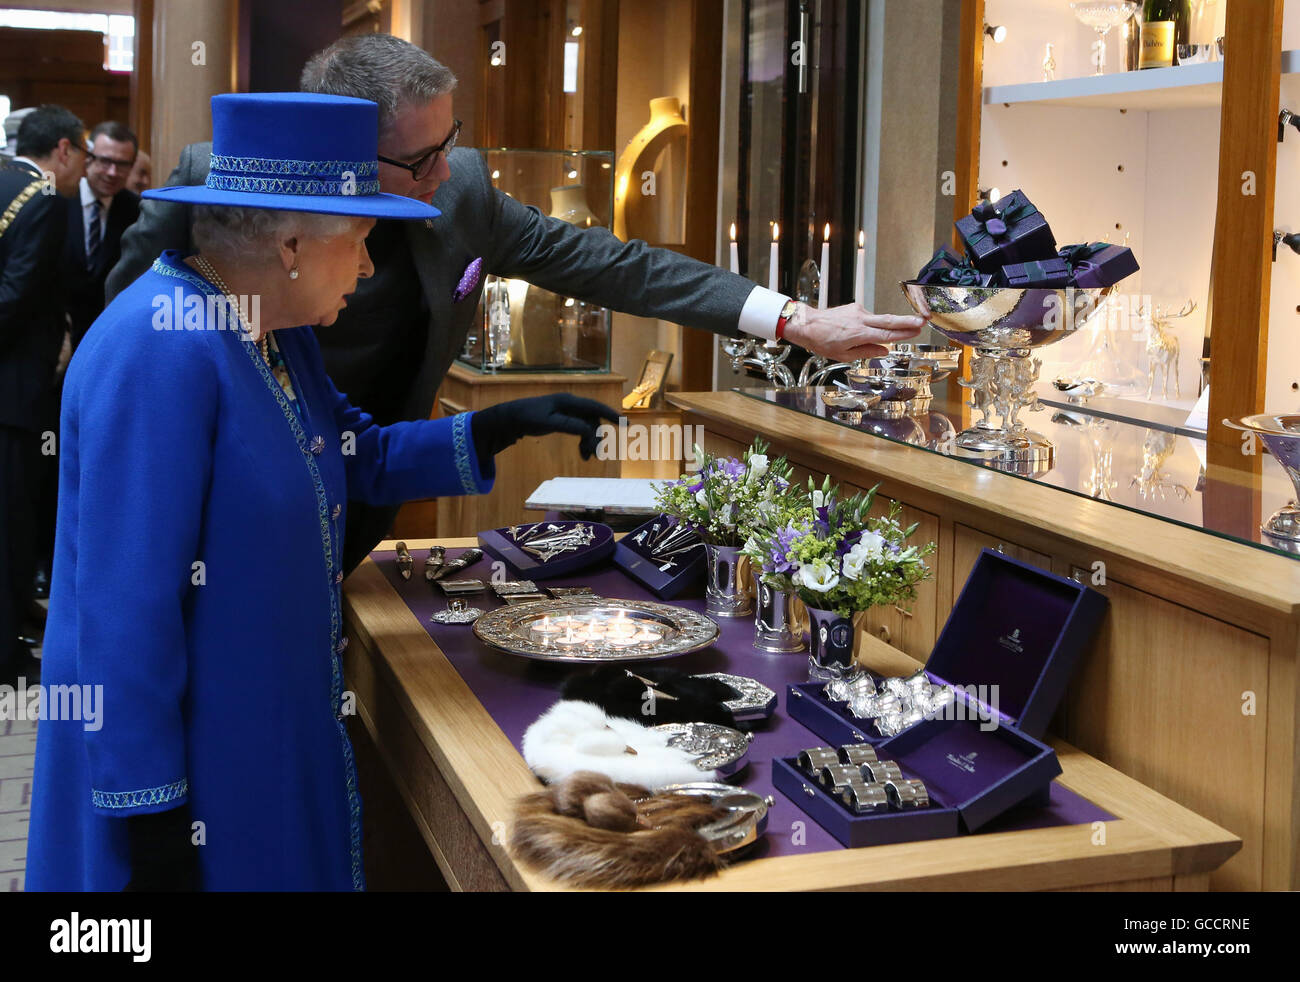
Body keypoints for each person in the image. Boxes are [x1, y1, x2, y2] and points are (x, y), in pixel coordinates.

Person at [25, 92, 617, 892]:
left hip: (258, 729)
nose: (371, 266)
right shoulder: (157, 353)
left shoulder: (272, 329)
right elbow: (123, 610)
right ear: (294, 242)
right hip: (195, 764)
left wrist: (493, 428)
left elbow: (352, 452)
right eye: (364, 239)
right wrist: (150, 814)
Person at [108, 33, 926, 574]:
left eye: (451, 141)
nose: (441, 175)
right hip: (223, 502)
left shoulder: (458, 190)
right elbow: (131, 350)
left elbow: (610, 264)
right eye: (419, 158)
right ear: (338, 153)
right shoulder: (223, 186)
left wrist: (793, 319)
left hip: (363, 473)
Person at [0, 103, 86, 687]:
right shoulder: (47, 195)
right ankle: (5, 656)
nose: (81, 166)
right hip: (14, 390)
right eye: (81, 153)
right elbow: (18, 290)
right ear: (61, 150)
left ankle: (16, 617)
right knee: (11, 521)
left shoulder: (4, 178)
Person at [63, 121, 141, 347]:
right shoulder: (60, 200)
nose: (112, 172)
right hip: (57, 338)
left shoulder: (136, 210)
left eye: (122, 164)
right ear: (88, 158)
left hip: (107, 338)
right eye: (105, 161)